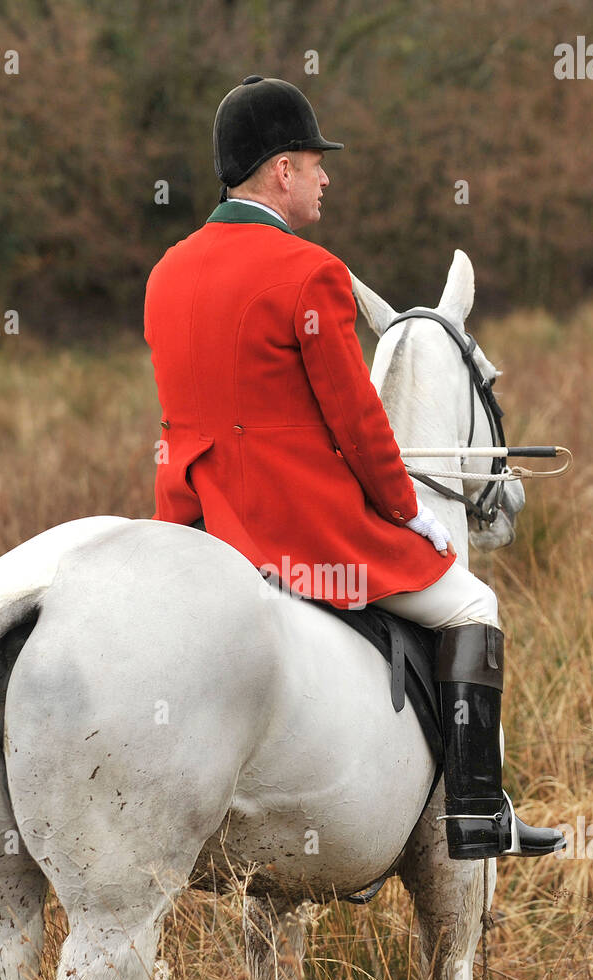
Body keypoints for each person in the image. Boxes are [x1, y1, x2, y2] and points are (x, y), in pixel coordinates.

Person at [144, 75, 561, 862]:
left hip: (198, 527)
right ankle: (477, 813)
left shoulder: (167, 274)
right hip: (300, 530)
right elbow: (359, 423)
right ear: (280, 171)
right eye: (313, 160)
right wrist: (408, 510)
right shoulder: (310, 274)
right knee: (475, 603)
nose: (325, 176)